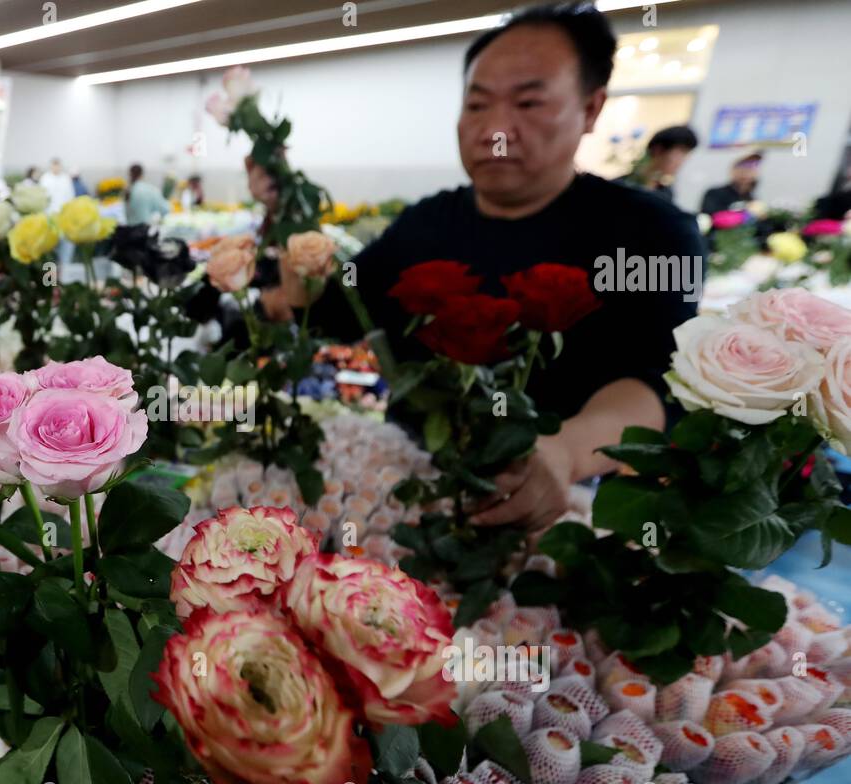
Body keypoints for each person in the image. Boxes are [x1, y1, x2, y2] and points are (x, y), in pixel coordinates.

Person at [254, 2, 704, 533]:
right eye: (477, 104)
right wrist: (287, 225)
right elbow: (339, 316)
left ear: (590, 108)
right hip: (410, 495)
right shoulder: (423, 224)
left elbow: (656, 378)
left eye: (529, 102)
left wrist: (564, 453)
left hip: (563, 507)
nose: (496, 129)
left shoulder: (650, 234)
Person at [621, 125, 697, 202]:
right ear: (658, 149)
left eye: (686, 155)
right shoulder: (622, 184)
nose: (682, 161)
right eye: (681, 152)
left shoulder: (666, 194)